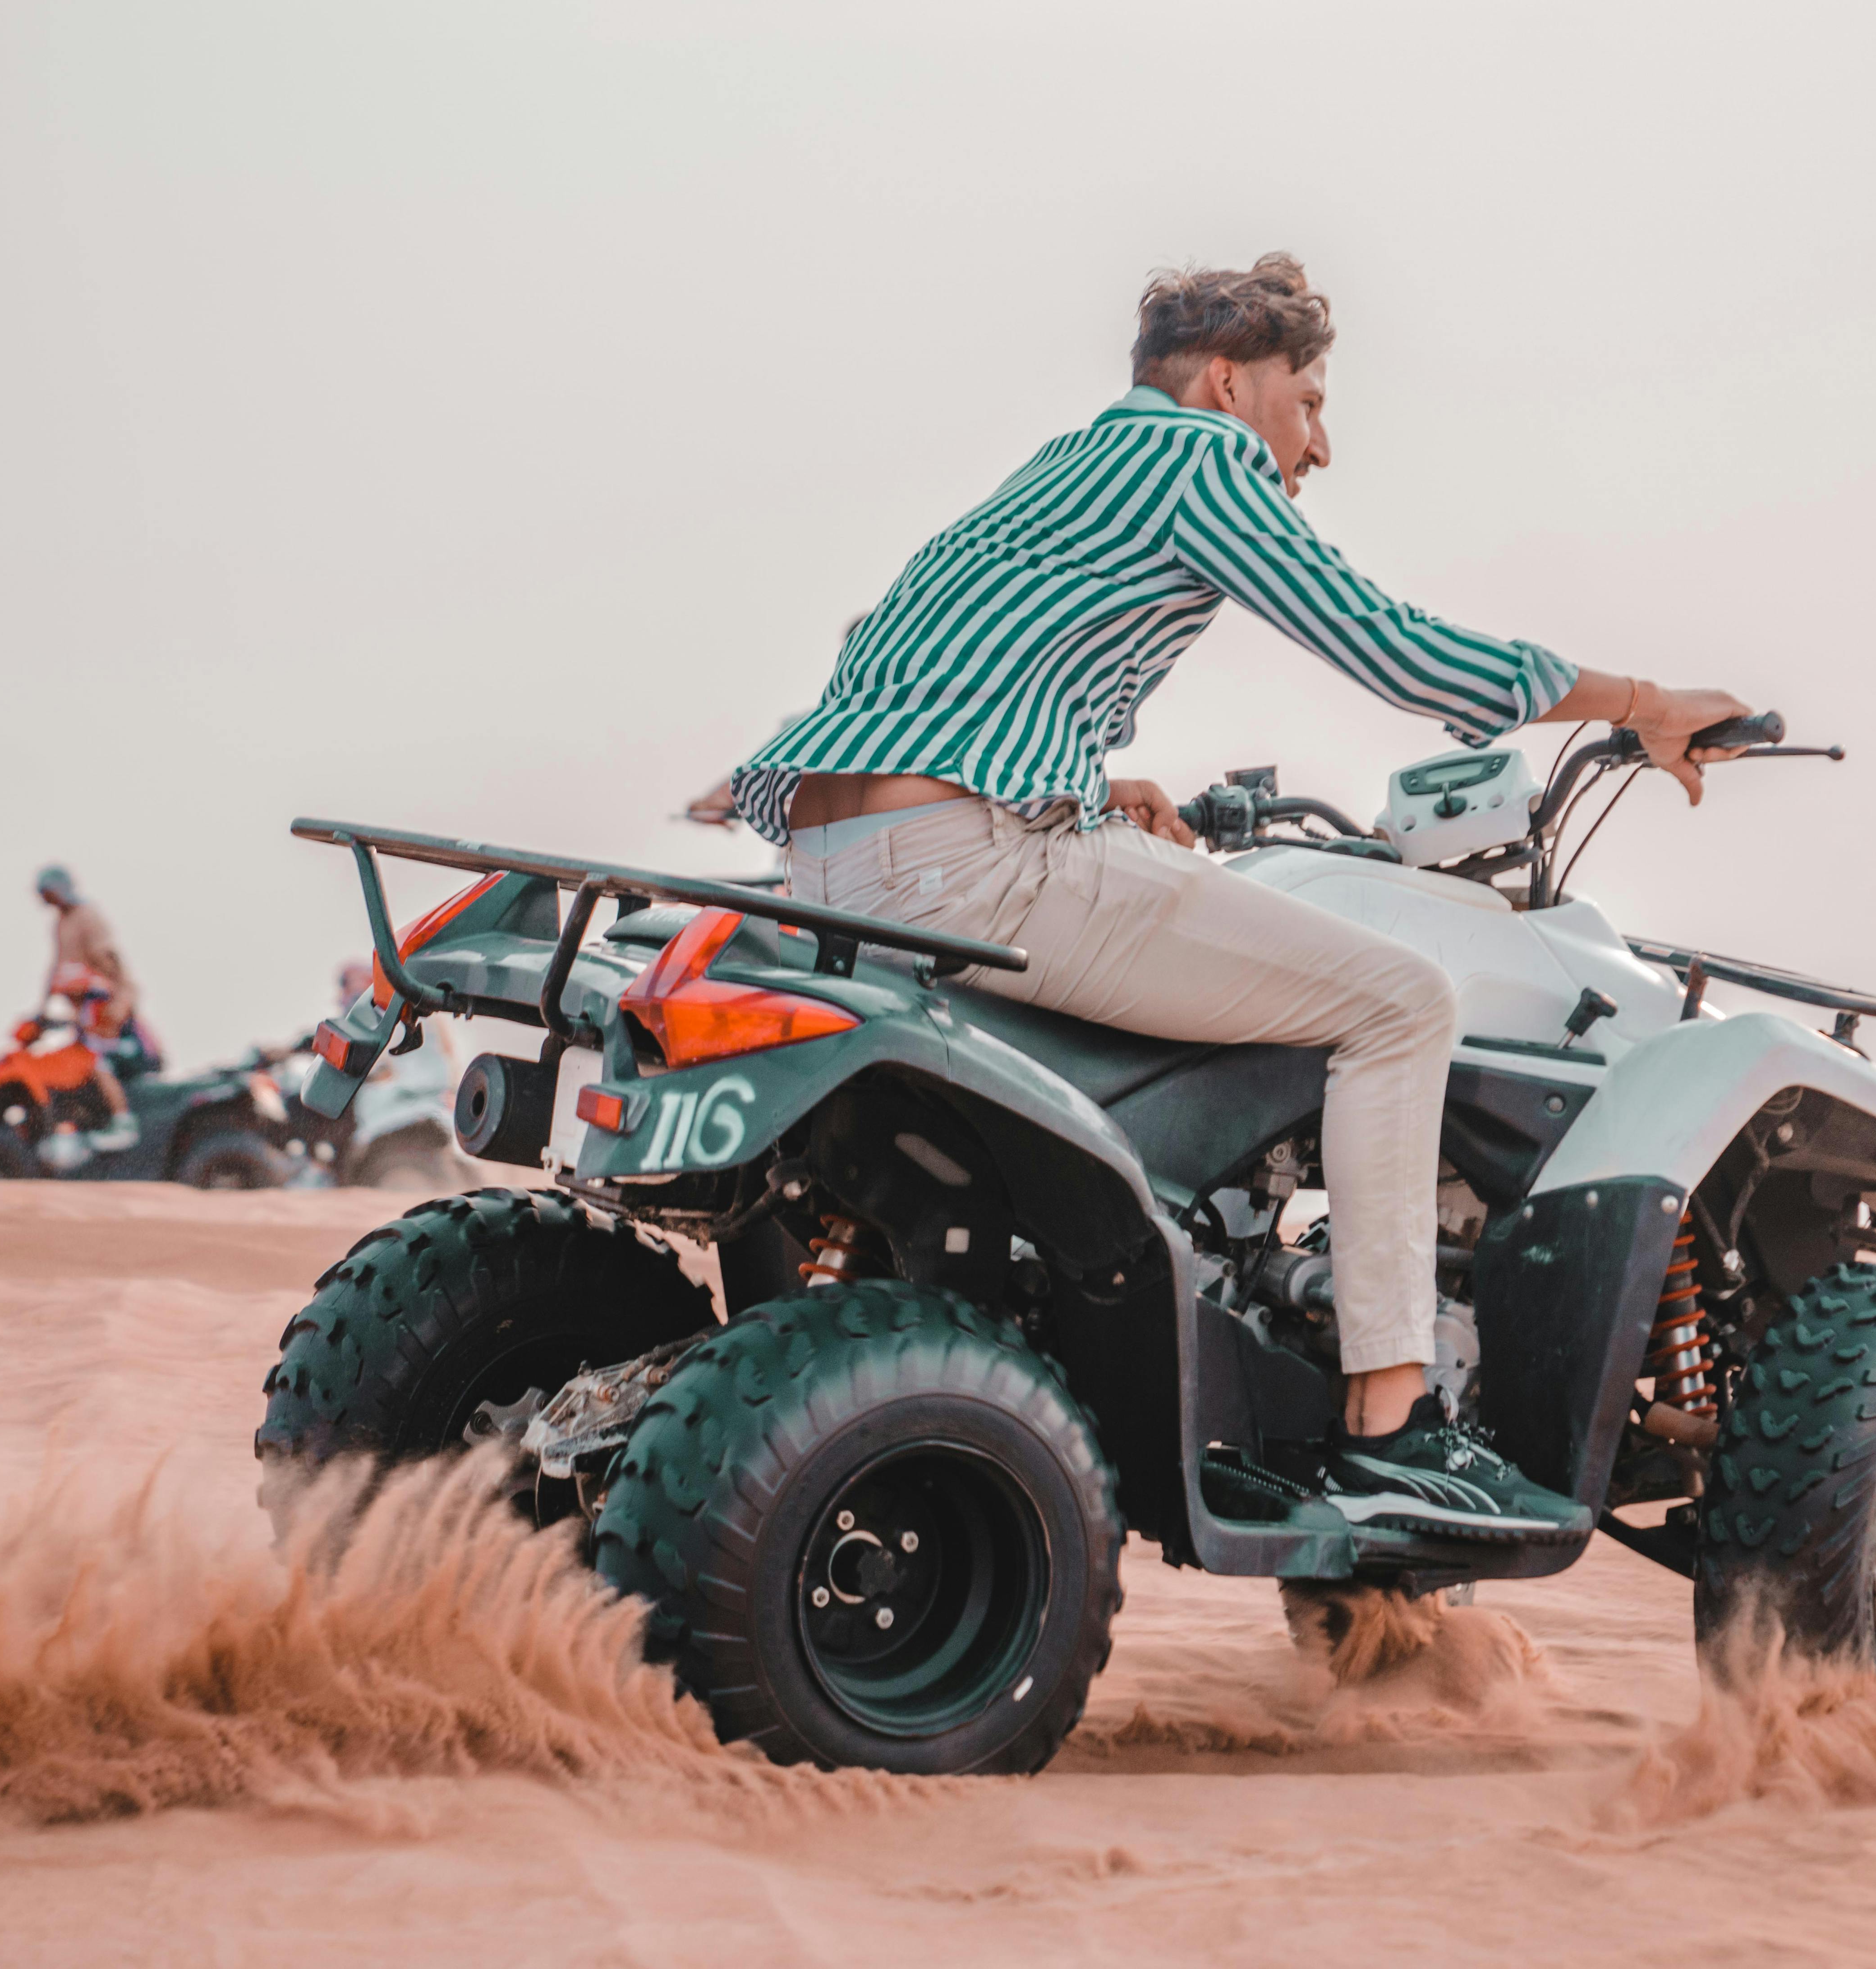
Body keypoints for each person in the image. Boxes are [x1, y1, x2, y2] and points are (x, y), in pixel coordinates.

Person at [732, 253, 1755, 1541]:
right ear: (1228, 382)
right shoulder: (1199, 459)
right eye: (1308, 401)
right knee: (1398, 1002)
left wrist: (1091, 783)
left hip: (844, 863)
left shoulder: (1067, 463)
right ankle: (1393, 1424)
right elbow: (1399, 650)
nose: (1318, 445)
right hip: (974, 863)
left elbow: (925, 668)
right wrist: (1646, 703)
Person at [34, 865, 146, 1150]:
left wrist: (118, 998)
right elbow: (58, 968)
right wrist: (43, 1009)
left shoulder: (87, 916)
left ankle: (123, 1121)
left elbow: (108, 957)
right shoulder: (62, 924)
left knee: (96, 1062)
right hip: (85, 1008)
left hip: (107, 1004)